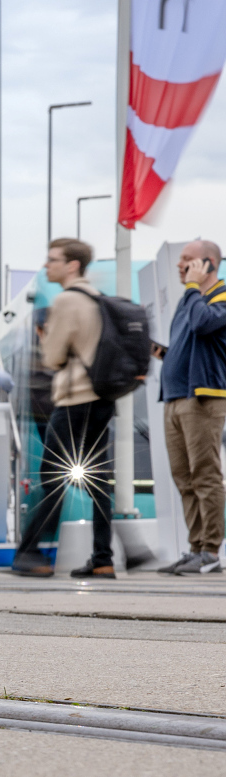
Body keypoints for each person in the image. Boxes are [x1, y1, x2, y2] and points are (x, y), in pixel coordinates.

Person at [12, 238, 115, 579]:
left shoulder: (67, 300)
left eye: (53, 259)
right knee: (99, 479)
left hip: (74, 401)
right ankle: (102, 558)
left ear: (73, 265)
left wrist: (51, 343)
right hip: (102, 401)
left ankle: (28, 551)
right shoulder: (99, 300)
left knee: (51, 477)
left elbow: (53, 357)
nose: (47, 265)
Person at [154, 238, 226, 575]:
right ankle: (196, 547)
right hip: (175, 399)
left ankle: (210, 550)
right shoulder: (191, 299)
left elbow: (203, 324)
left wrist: (195, 287)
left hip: (203, 399)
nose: (181, 266)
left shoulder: (218, 296)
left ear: (210, 264)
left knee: (204, 475)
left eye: (188, 260)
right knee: (184, 478)